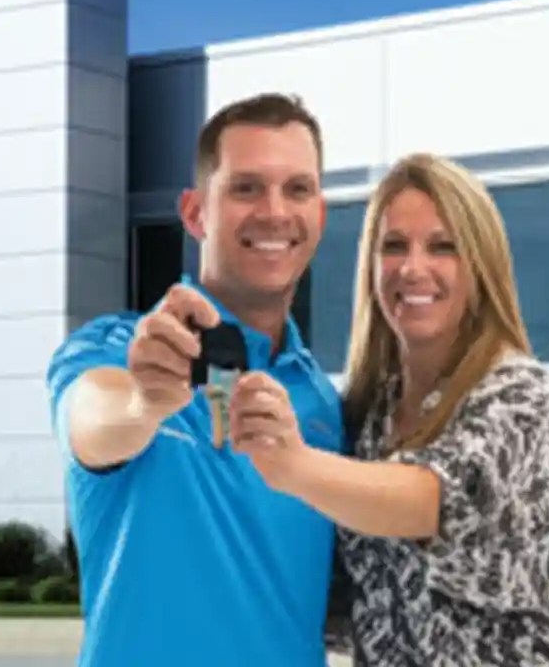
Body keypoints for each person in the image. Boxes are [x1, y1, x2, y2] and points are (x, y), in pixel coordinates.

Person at [228, 153, 549, 666]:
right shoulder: (370, 414)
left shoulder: (519, 398)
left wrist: (292, 463)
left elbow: (433, 502)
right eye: (393, 246)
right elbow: (332, 591)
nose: (413, 268)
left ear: (481, 266)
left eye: (443, 247)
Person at [45, 92, 346, 667]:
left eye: (298, 188)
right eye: (246, 187)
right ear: (194, 212)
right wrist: (144, 403)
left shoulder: (324, 403)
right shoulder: (114, 349)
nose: (275, 211)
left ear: (320, 216)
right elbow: (92, 420)